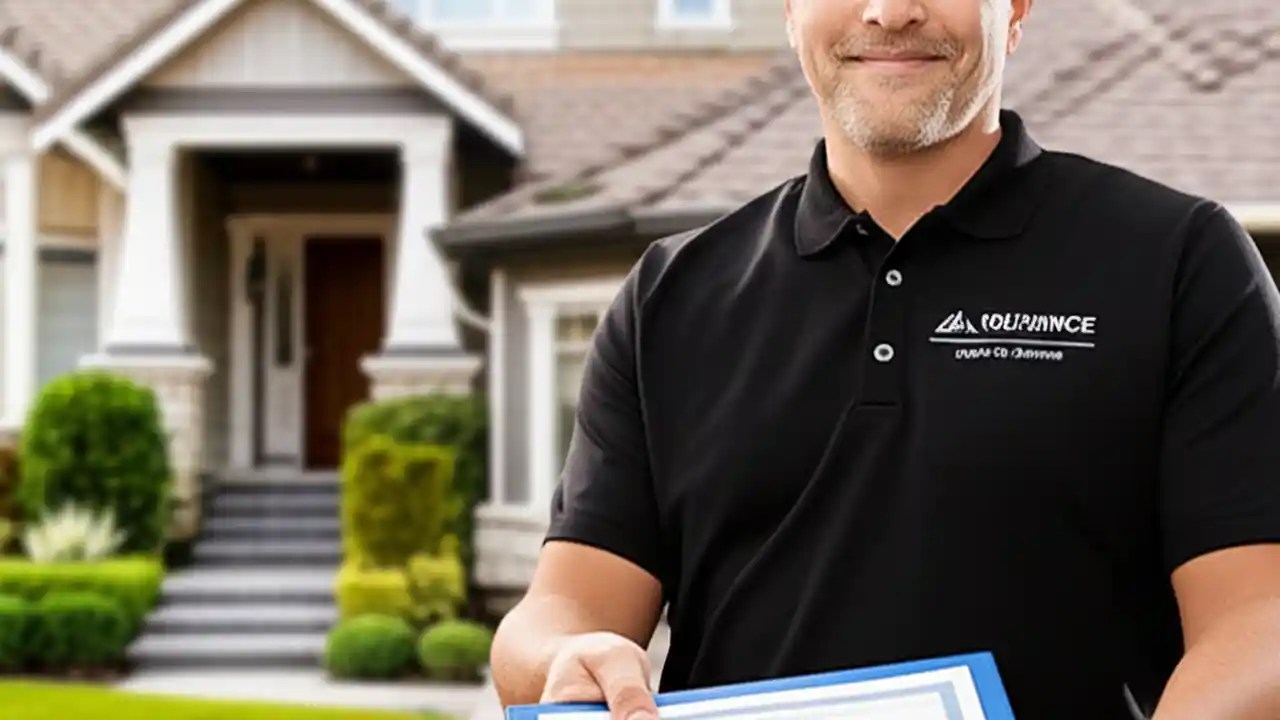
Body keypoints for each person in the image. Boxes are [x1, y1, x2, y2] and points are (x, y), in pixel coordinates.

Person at [490, 1, 1280, 718]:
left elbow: (1258, 618)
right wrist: (562, 658)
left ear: (1015, 9)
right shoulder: (670, 296)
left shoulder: (1178, 263)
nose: (891, 11)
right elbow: (564, 607)